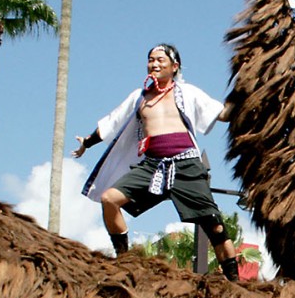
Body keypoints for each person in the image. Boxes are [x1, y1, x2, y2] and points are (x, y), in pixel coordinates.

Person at [73, 42, 243, 279]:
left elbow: (222, 114)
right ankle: (124, 261)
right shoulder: (139, 98)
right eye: (151, 60)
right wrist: (87, 143)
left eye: (160, 60)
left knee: (214, 225)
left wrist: (244, 90)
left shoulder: (187, 92)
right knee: (109, 199)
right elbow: (111, 123)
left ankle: (234, 282)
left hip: (187, 164)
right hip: (153, 166)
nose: (154, 64)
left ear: (175, 66)